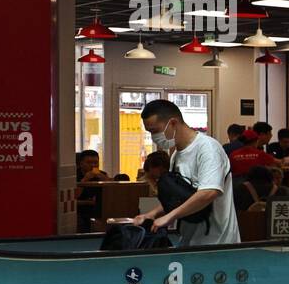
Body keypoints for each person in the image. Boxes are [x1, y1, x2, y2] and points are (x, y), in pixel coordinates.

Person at [133, 99, 240, 246]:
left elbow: (209, 192)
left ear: (173, 123)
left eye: (155, 131)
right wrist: (152, 214)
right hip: (189, 241)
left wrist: (170, 216)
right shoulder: (177, 155)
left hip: (217, 242)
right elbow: (179, 199)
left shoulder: (208, 149)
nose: (154, 137)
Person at [75, 150, 109, 233]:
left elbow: (112, 194)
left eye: (96, 162)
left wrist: (106, 180)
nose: (93, 165)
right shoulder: (74, 175)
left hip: (99, 209)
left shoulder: (102, 174)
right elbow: (73, 198)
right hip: (81, 211)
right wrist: (84, 180)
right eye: (89, 163)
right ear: (81, 163)